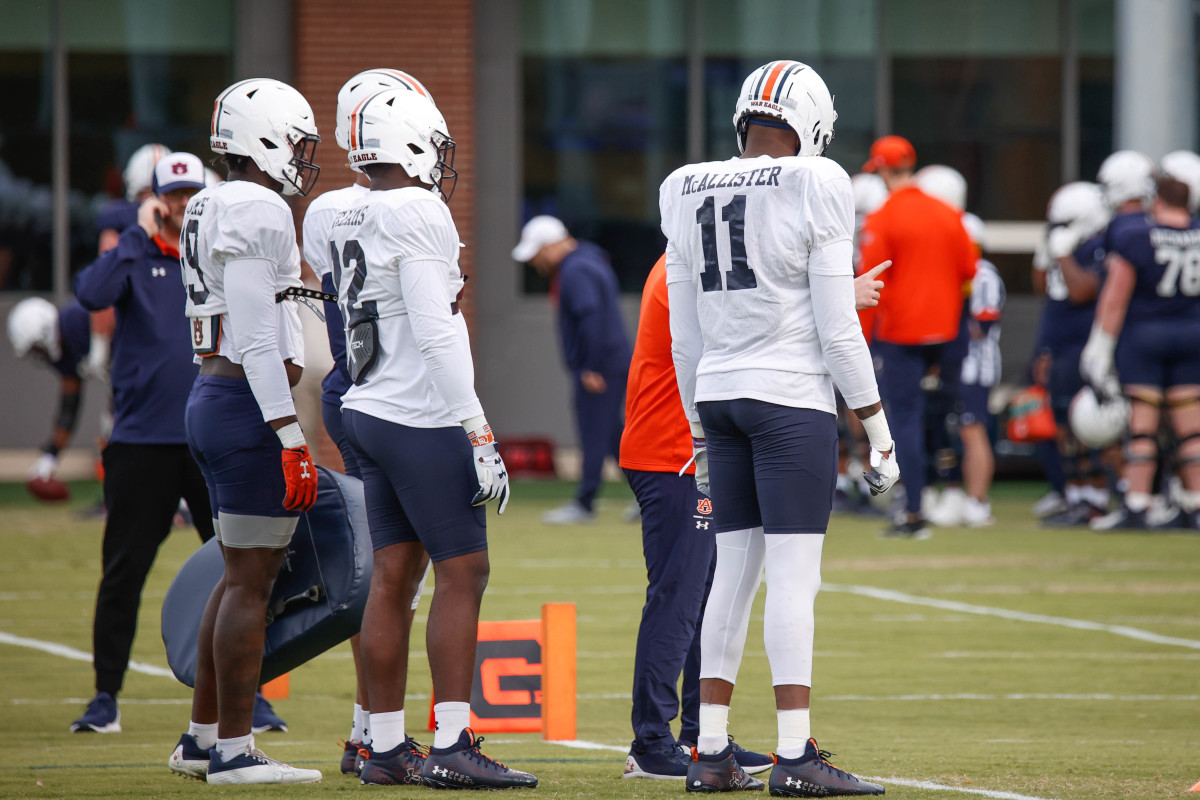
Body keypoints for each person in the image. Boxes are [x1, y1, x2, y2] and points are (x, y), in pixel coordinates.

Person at [660, 59, 895, 796]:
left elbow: (683, 330)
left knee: (734, 573)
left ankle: (709, 750)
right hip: (789, 397)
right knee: (795, 578)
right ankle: (795, 754)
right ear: (815, 122)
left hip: (720, 397)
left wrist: (698, 426)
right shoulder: (817, 181)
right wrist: (877, 426)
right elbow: (837, 326)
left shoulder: (684, 183)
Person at [330, 87, 535, 789]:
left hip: (364, 404)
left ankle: (381, 746)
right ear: (410, 139)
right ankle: (452, 741)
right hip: (416, 412)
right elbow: (436, 325)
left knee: (393, 573)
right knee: (463, 571)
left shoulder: (344, 207)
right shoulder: (418, 209)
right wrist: (478, 428)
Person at [620, 255, 890, 781]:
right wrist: (835, 302)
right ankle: (652, 742)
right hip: (673, 448)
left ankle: (702, 737)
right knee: (680, 597)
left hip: (694, 442)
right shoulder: (686, 264)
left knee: (705, 594)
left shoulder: (696, 255)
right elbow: (744, 334)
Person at [166, 77, 323, 785]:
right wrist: (290, 435)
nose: (298, 153)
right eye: (292, 139)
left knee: (236, 580)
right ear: (264, 137)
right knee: (252, 585)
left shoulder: (207, 201)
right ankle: (233, 748)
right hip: (245, 402)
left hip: (212, 393)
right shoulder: (258, 207)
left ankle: (201, 741)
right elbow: (260, 341)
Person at [301, 66, 435, 778]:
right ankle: (375, 735)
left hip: (349, 389)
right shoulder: (407, 209)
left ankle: (368, 730)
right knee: (397, 569)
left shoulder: (325, 211)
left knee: (391, 568)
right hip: (395, 393)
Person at [66, 153, 216, 733]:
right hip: (140, 442)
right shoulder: (136, 254)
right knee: (123, 571)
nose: (181, 203)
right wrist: (136, 232)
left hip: (209, 439)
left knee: (238, 570)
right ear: (156, 200)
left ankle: (248, 697)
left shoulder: (215, 256)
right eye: (171, 194)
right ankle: (106, 697)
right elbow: (89, 292)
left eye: (190, 193)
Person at [859, 135, 976, 539]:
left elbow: (871, 287)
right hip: (947, 331)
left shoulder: (883, 217)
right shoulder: (947, 212)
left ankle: (912, 511)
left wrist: (861, 343)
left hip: (900, 333)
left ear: (883, 170)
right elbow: (968, 271)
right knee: (948, 414)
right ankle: (962, 494)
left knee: (903, 421)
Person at [1081, 158, 1200, 530]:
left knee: (1143, 426)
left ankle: (1137, 503)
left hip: (1146, 337)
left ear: (1157, 199)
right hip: (1192, 336)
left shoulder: (1137, 234)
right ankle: (1195, 504)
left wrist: (1099, 346)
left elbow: (1116, 296)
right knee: (1191, 428)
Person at [512, 215, 632, 524]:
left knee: (594, 431)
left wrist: (590, 367)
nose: (535, 262)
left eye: (536, 254)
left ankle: (584, 503)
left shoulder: (576, 269)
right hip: (607, 362)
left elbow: (589, 316)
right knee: (609, 433)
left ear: (549, 247)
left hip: (599, 366)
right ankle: (648, 495)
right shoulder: (587, 260)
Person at [1030, 181, 1113, 526]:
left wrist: (1062, 255)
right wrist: (1045, 255)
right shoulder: (1062, 243)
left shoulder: (1099, 246)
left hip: (1086, 348)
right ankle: (1074, 495)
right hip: (1060, 348)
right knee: (1063, 426)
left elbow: (1082, 291)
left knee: (1089, 426)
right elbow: (1043, 291)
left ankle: (1097, 497)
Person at [7, 297, 96, 494]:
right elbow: (69, 405)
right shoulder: (63, 354)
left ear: (44, 332)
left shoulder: (76, 320)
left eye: (36, 348)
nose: (39, 355)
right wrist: (51, 456)